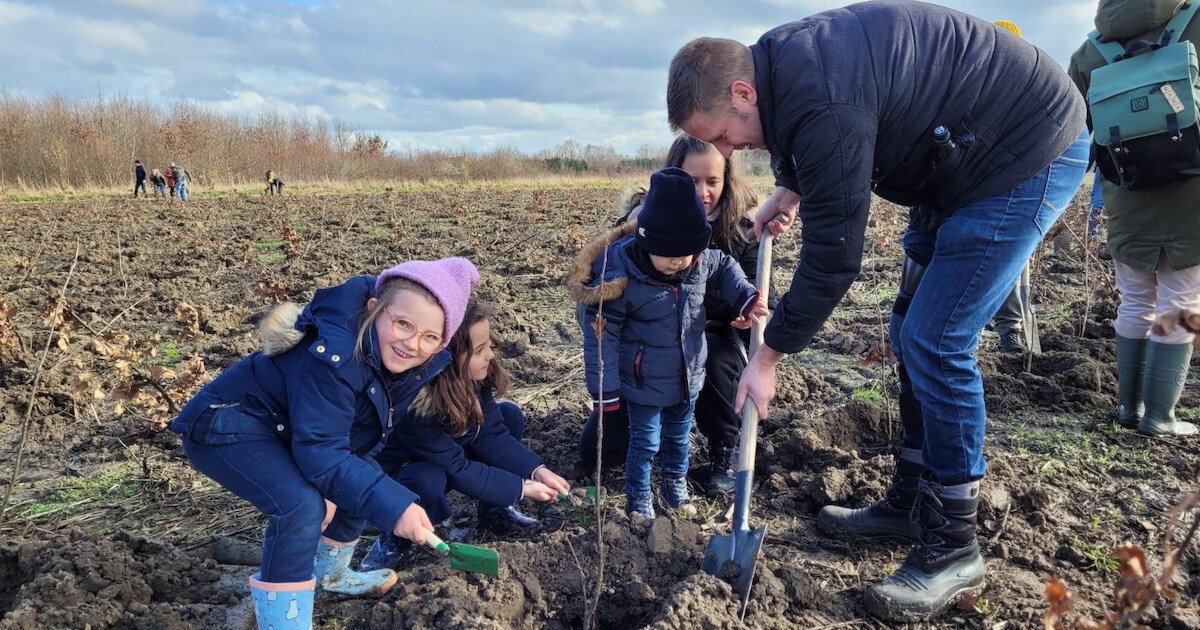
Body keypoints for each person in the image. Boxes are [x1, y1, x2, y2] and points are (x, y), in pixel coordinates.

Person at [667, 2, 1087, 620]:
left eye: (725, 135)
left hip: (1022, 154)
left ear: (741, 90)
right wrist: (788, 188)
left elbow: (836, 259)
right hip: (957, 161)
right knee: (907, 330)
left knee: (937, 338)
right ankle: (914, 497)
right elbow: (812, 132)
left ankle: (955, 549)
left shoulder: (819, 95)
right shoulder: (782, 65)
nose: (730, 152)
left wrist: (769, 353)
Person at [170, 257, 478, 630]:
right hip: (228, 424)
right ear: (375, 309)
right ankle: (284, 624)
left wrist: (342, 485)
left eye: (430, 337)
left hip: (290, 429)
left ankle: (331, 576)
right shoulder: (335, 356)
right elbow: (321, 452)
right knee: (301, 506)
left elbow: (354, 439)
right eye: (403, 324)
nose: (412, 344)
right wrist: (396, 509)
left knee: (363, 477)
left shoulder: (396, 359)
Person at [574, 135, 770, 497]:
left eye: (713, 181)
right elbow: (597, 309)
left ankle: (723, 450)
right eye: (692, 179)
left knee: (713, 356)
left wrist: (744, 310)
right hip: (643, 352)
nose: (703, 191)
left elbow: (738, 282)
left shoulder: (743, 233)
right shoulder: (638, 229)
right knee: (600, 450)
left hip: (708, 342)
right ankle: (647, 444)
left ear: (726, 181)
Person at [1068, 0, 1200, 436]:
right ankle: (1160, 417)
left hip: (1126, 193)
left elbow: (1075, 129)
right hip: (1192, 194)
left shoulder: (1090, 52)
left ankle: (1130, 410)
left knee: (1137, 300)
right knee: (1181, 302)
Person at [360, 301, 571, 571]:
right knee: (427, 478)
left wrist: (536, 470)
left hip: (449, 453)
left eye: (489, 346)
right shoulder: (417, 406)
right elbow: (458, 468)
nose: (490, 356)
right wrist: (521, 488)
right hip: (408, 469)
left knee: (509, 416)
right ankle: (398, 535)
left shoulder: (473, 378)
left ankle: (495, 510)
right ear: (446, 360)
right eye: (479, 350)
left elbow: (492, 434)